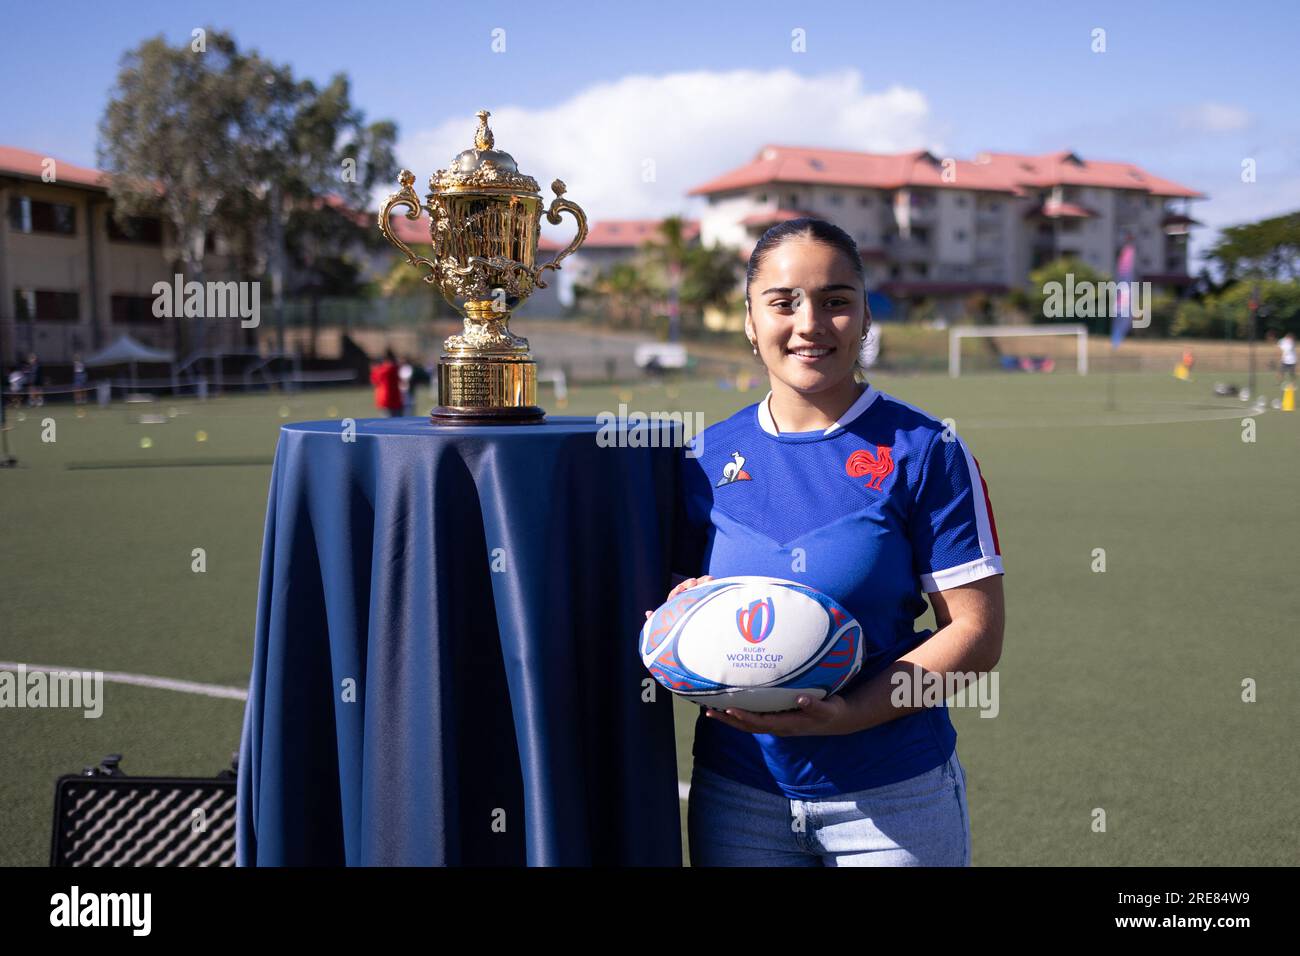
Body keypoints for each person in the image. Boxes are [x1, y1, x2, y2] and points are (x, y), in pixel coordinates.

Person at [661, 218, 1005, 867]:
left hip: (891, 799)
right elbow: (677, 609)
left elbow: (976, 638)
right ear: (749, 320)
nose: (810, 323)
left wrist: (849, 715)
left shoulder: (928, 451)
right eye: (784, 301)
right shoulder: (704, 458)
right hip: (739, 797)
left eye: (836, 301)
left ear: (867, 317)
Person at [369, 348, 404, 417]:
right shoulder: (395, 368)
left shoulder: (378, 370)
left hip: (383, 400)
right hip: (395, 400)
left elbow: (374, 382)